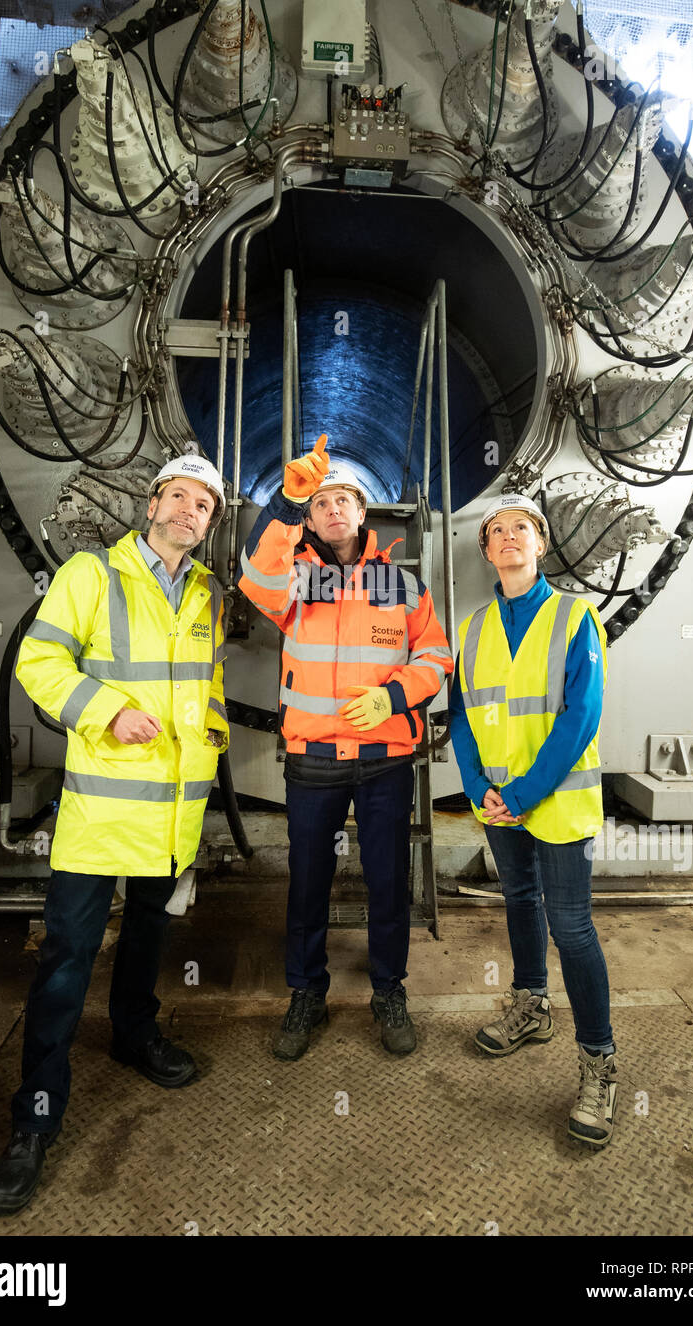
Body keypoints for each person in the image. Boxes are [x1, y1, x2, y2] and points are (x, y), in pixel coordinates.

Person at [0, 454, 230, 1214]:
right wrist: (104, 711)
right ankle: (35, 1117)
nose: (190, 511)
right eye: (180, 496)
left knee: (151, 935)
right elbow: (40, 660)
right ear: (152, 503)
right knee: (65, 962)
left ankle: (133, 1032)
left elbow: (202, 687)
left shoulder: (206, 593)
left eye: (206, 507)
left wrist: (214, 731)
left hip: (172, 814)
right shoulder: (93, 574)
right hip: (100, 813)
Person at [239, 435, 453, 1059]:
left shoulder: (402, 585)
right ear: (310, 516)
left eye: (345, 501)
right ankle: (306, 993)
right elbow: (255, 577)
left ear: (364, 515)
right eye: (322, 502)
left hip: (385, 760)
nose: (334, 510)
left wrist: (394, 697)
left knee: (388, 884)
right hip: (313, 762)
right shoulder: (295, 581)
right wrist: (284, 503)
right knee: (308, 884)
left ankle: (389, 990)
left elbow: (436, 656)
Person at [448, 492, 617, 1147]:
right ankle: (530, 1005)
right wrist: (480, 789)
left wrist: (522, 792)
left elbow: (581, 716)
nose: (509, 536)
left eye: (522, 527)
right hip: (499, 802)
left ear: (540, 544)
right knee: (519, 898)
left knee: (572, 928)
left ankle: (599, 1065)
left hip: (557, 801)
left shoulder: (577, 617)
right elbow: (462, 716)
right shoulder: (477, 628)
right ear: (488, 550)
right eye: (497, 530)